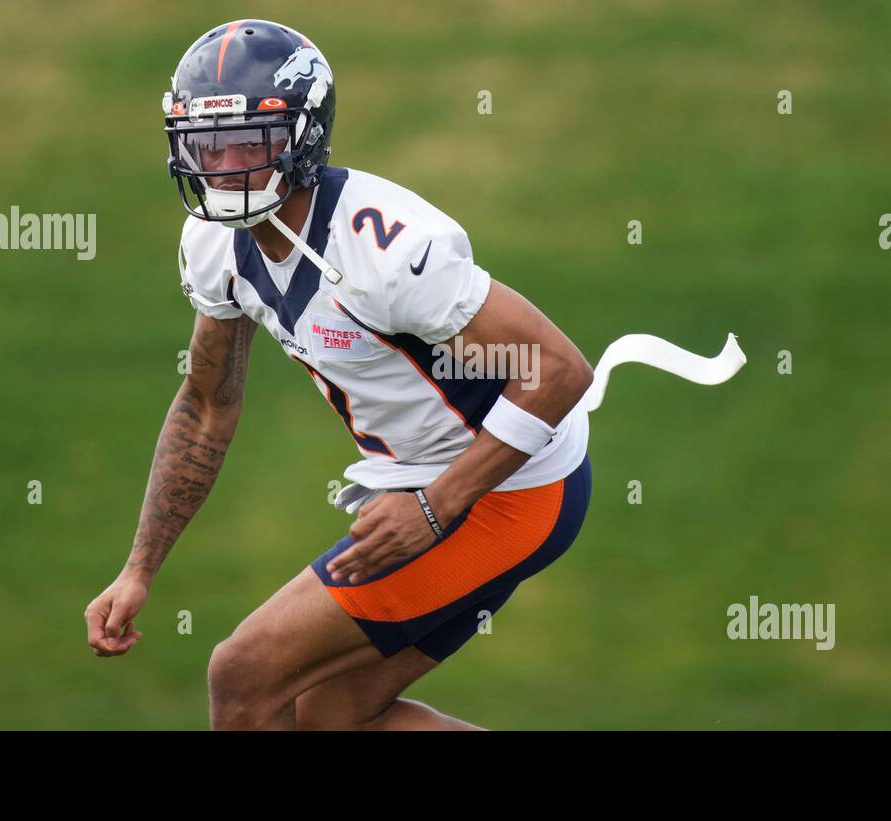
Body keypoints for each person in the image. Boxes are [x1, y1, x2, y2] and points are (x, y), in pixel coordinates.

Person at [84, 19, 594, 730]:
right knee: (322, 715)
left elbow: (559, 369)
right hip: (425, 475)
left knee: (243, 674)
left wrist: (436, 504)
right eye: (206, 142)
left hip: (508, 482)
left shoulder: (383, 248)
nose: (223, 163)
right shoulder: (213, 244)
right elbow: (207, 404)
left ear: (302, 137)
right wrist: (140, 568)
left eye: (248, 141)